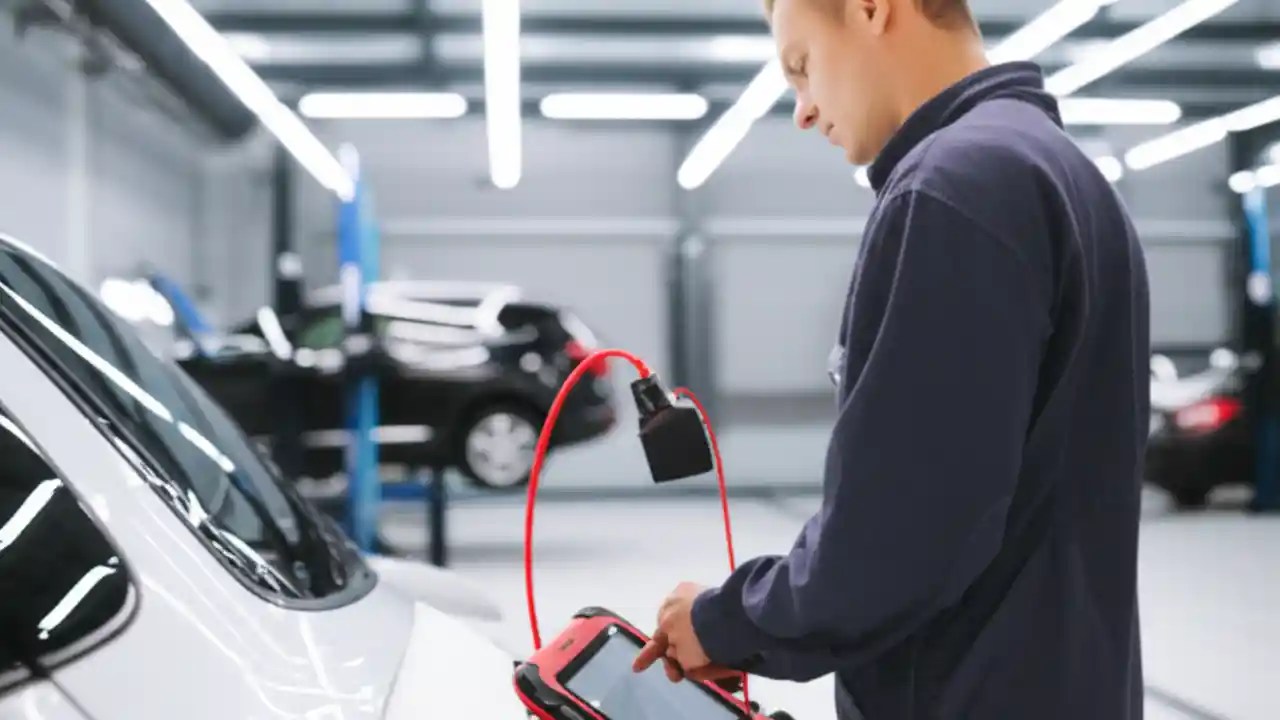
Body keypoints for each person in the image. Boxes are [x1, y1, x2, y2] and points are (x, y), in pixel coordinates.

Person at [633, 0, 1149, 717]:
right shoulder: (1062, 173)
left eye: (803, 66)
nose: (802, 111)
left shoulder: (955, 187)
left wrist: (727, 620)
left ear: (872, 9)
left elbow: (900, 536)